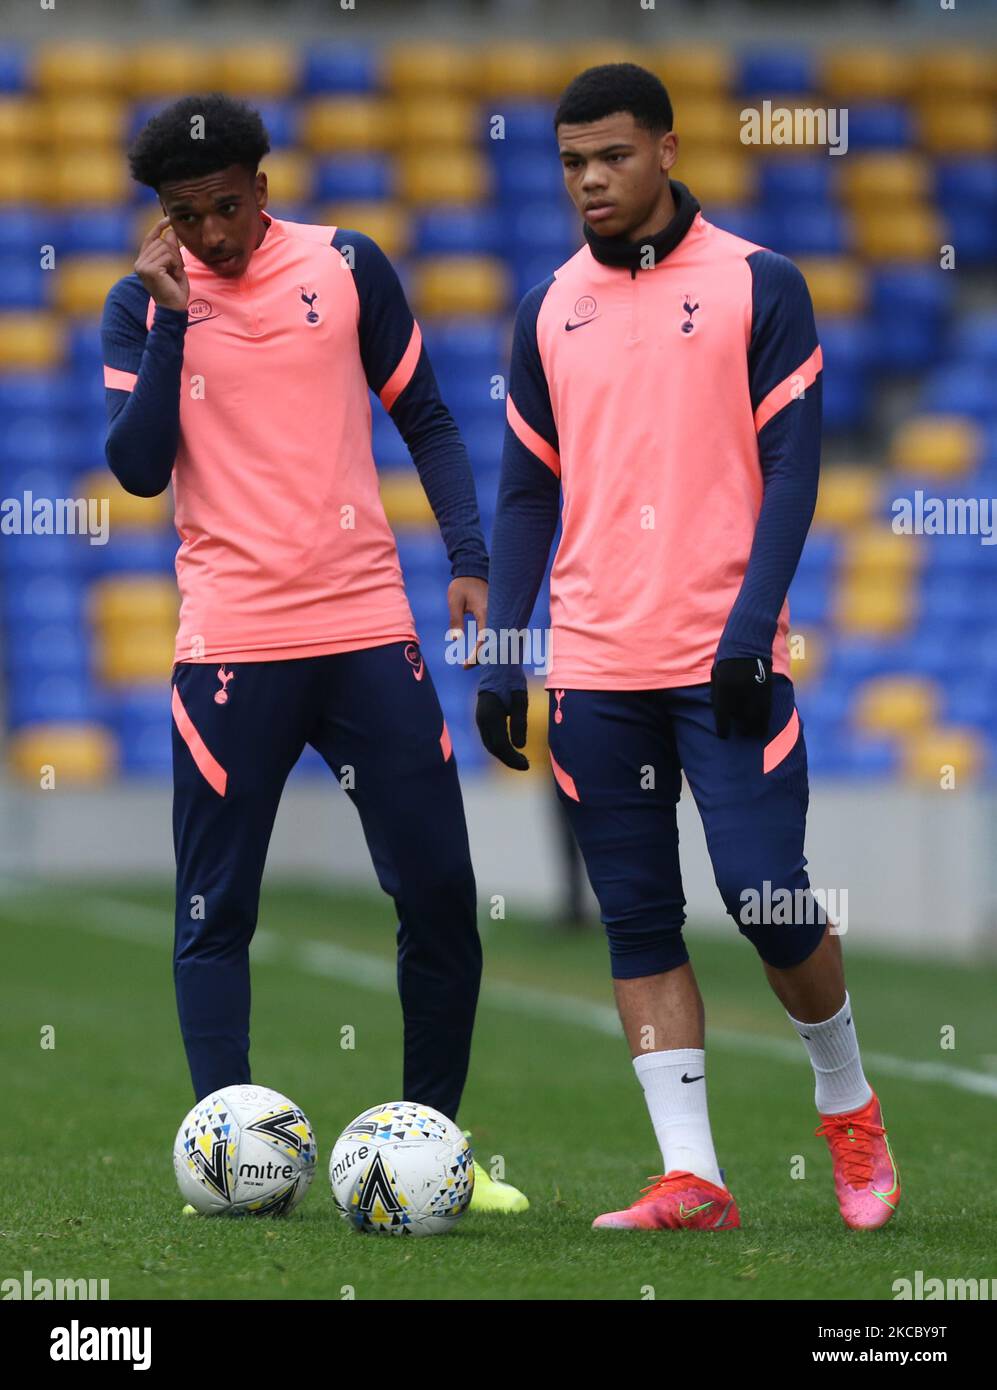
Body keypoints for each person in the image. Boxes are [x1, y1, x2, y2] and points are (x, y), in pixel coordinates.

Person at [476, 64, 899, 1231]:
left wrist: (751, 631)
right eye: (571, 163)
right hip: (597, 670)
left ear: (666, 149)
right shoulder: (546, 308)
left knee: (768, 899)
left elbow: (795, 470)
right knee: (637, 918)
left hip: (725, 663)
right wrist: (509, 654)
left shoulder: (759, 284)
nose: (590, 181)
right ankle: (691, 1177)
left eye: (611, 156)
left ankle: (848, 1104)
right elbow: (524, 496)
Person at [101, 92, 526, 1213]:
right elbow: (140, 468)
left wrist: (468, 554)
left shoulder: (344, 265)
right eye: (184, 216)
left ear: (263, 185)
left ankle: (437, 1145)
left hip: (365, 629)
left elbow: (426, 414)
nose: (212, 235)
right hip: (231, 645)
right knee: (213, 908)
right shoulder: (136, 306)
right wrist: (174, 316)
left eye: (227, 207)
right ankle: (231, 1163)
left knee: (438, 889)